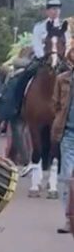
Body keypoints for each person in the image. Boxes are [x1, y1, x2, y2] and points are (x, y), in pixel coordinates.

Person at [52, 41, 74, 234]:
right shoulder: (62, 79)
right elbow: (56, 104)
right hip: (68, 134)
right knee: (67, 177)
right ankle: (69, 219)